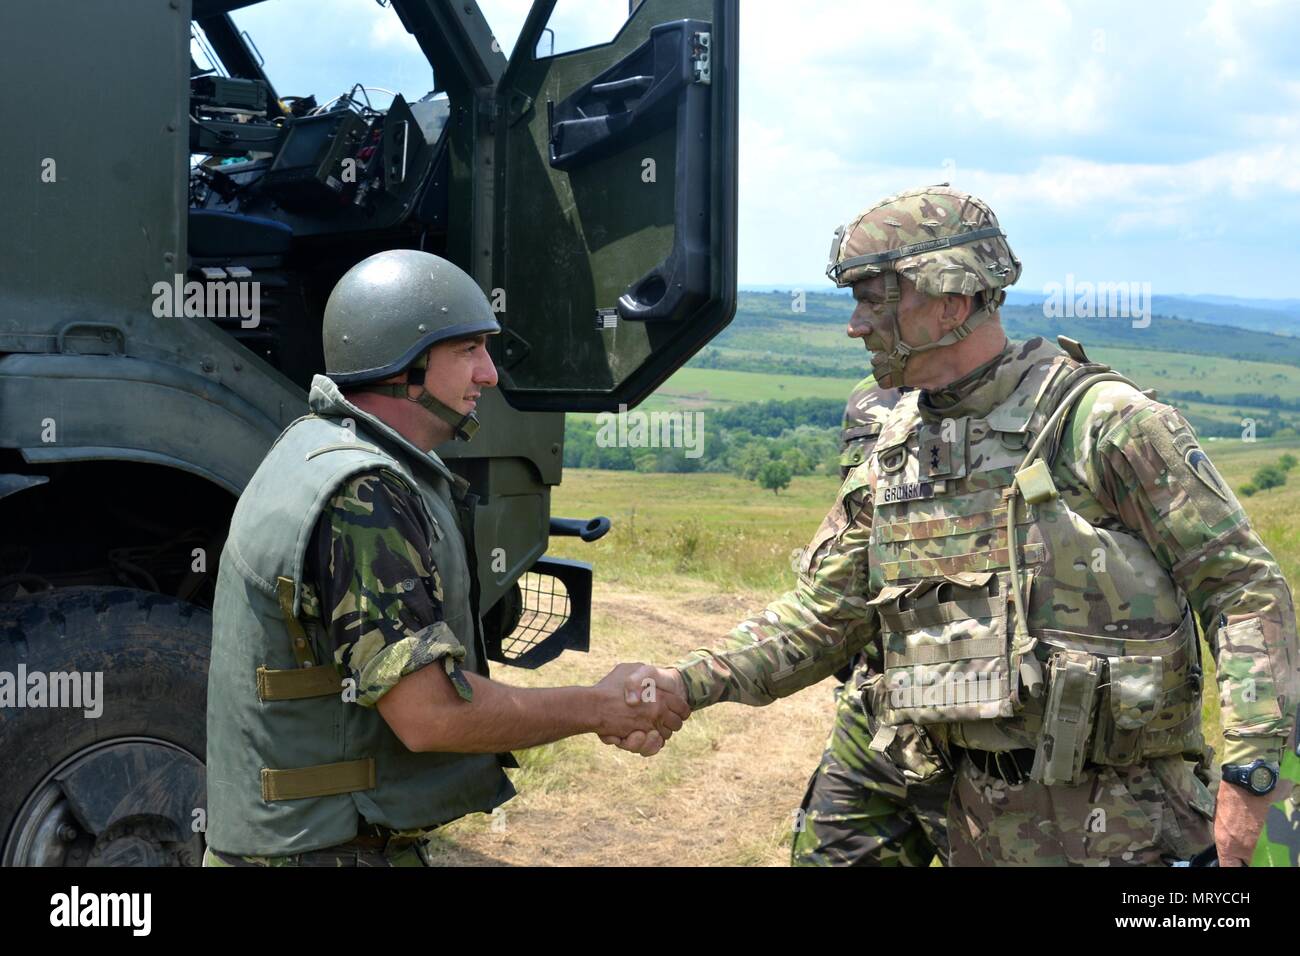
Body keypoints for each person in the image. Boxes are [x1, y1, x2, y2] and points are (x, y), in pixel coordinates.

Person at [608, 186, 1298, 866]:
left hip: (1117, 824)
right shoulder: (896, 443)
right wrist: (684, 684)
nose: (855, 325)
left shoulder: (1104, 423)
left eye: (874, 300)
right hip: (958, 805)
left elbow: (1243, 590)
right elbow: (826, 615)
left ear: (952, 301)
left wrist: (1252, 775)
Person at [205, 249, 688, 867]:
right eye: (468, 350)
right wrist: (599, 706)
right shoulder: (364, 494)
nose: (489, 374)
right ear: (402, 363)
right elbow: (429, 715)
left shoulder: (320, 447)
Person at [790, 379, 952, 866]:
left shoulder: (1026, 398)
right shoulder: (870, 398)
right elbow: (831, 599)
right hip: (878, 707)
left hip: (993, 723)